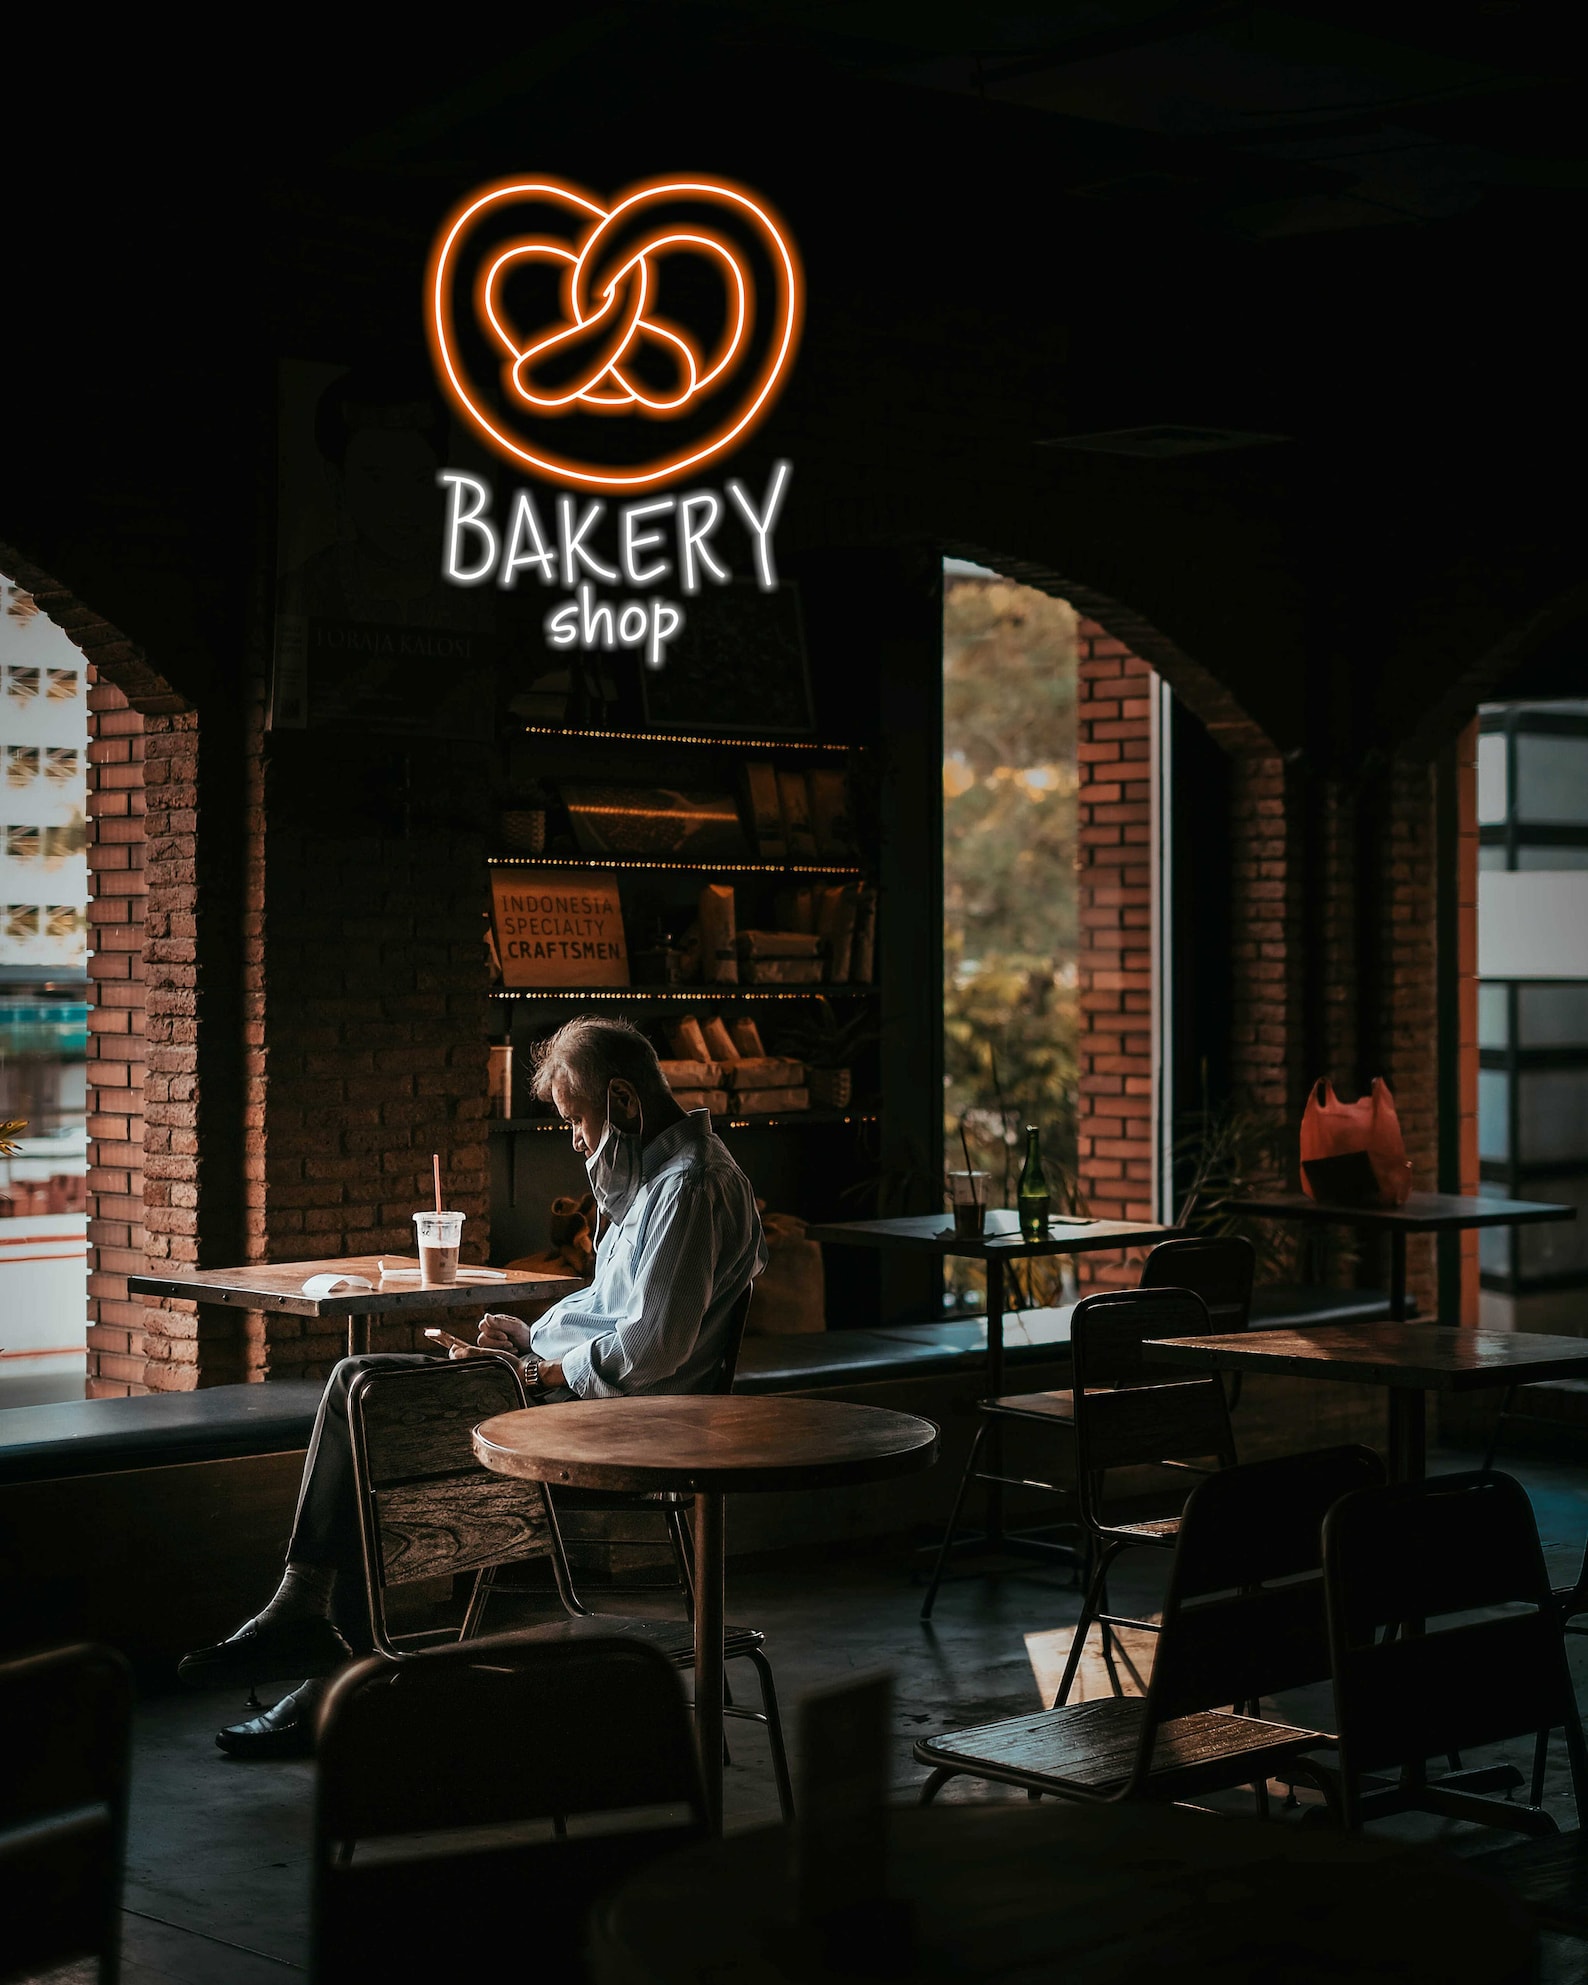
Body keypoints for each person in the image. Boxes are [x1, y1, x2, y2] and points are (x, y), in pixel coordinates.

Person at [178, 1015, 766, 1758]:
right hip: (569, 1392)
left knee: (366, 1394)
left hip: (616, 1423)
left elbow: (654, 1347)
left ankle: (328, 1650)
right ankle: (332, 1655)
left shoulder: (691, 1186)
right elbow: (614, 1314)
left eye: (577, 1120)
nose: (577, 1141)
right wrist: (531, 1339)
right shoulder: (656, 1182)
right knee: (364, 1395)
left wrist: (537, 1369)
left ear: (621, 1102)